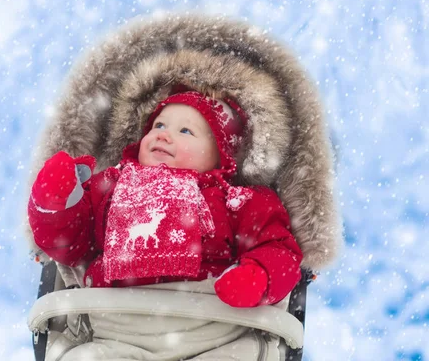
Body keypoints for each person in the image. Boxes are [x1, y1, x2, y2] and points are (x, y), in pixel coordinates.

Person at [28, 91, 303, 308]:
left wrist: (258, 277)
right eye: (159, 124)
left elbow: (279, 249)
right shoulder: (111, 186)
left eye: (186, 131)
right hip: (115, 321)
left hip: (209, 322)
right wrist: (55, 203)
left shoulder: (238, 200)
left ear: (222, 156)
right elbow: (70, 245)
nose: (163, 134)